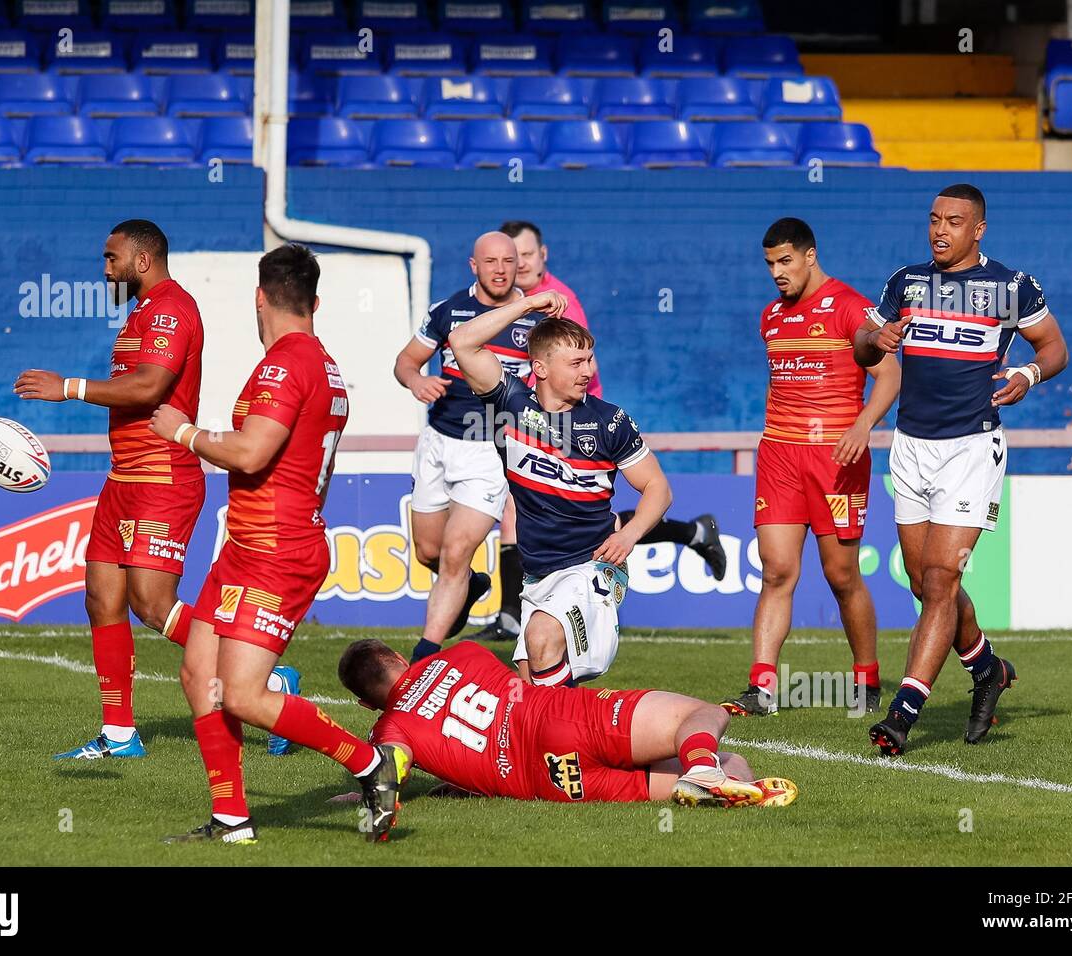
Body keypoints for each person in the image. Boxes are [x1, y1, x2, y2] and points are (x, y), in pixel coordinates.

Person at [151, 244, 402, 844]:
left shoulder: (285, 365)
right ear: (315, 302)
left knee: (239, 694)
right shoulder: (322, 363)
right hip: (251, 542)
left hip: (277, 549)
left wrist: (182, 431)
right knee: (197, 672)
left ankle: (371, 766)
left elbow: (252, 451)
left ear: (259, 298)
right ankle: (232, 820)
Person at [853, 183, 1068, 756]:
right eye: (933, 219)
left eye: (953, 221)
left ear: (978, 230)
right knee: (927, 585)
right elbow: (860, 347)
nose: (939, 230)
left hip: (971, 449)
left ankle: (902, 714)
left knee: (943, 580)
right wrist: (876, 337)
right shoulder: (906, 281)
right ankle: (989, 670)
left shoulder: (1011, 287)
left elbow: (1054, 349)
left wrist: (1027, 375)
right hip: (911, 446)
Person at [474, 220, 726, 644]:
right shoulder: (518, 303)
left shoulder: (557, 303)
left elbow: (573, 363)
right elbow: (468, 344)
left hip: (575, 418)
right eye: (509, 259)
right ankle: (690, 533)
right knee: (529, 511)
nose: (516, 265)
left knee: (571, 515)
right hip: (532, 414)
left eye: (525, 255)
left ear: (542, 256)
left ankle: (517, 614)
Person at [16, 219, 207, 760]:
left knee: (152, 605)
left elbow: (150, 386)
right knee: (101, 599)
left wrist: (68, 388)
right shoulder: (141, 312)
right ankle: (119, 733)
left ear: (142, 260)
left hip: (163, 477)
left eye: (111, 258)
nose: (105, 270)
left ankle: (262, 669)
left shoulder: (172, 308)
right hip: (123, 476)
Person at [723, 218, 900, 718]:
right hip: (780, 455)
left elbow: (889, 374)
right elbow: (776, 383)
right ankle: (761, 686)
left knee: (841, 575)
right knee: (777, 570)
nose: (777, 273)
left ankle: (866, 676)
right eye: (770, 264)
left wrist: (864, 426)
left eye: (785, 261)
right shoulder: (771, 317)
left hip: (836, 458)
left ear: (810, 256)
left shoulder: (850, 307)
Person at [448, 290, 671, 686]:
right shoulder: (511, 403)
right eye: (576, 362)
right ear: (541, 368)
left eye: (589, 359)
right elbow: (462, 341)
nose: (588, 371)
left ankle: (576, 741)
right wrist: (528, 305)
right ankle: (588, 743)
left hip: (591, 566)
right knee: (533, 697)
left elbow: (657, 488)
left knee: (540, 638)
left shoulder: (610, 421)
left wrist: (630, 535)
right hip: (537, 577)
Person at [338, 638, 797, 807]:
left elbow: (389, 773)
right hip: (561, 718)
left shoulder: (389, 731)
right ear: (398, 658)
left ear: (366, 704)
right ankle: (702, 767)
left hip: (552, 782)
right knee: (705, 717)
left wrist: (455, 778)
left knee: (713, 775)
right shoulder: (462, 652)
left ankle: (702, 780)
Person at [392, 231, 528, 662]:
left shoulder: (534, 318)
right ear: (474, 265)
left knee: (454, 552)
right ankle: (470, 586)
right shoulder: (448, 311)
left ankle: (424, 654)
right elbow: (405, 361)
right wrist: (416, 380)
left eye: (508, 261)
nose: (501, 269)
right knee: (429, 551)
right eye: (491, 262)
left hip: (490, 451)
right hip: (437, 442)